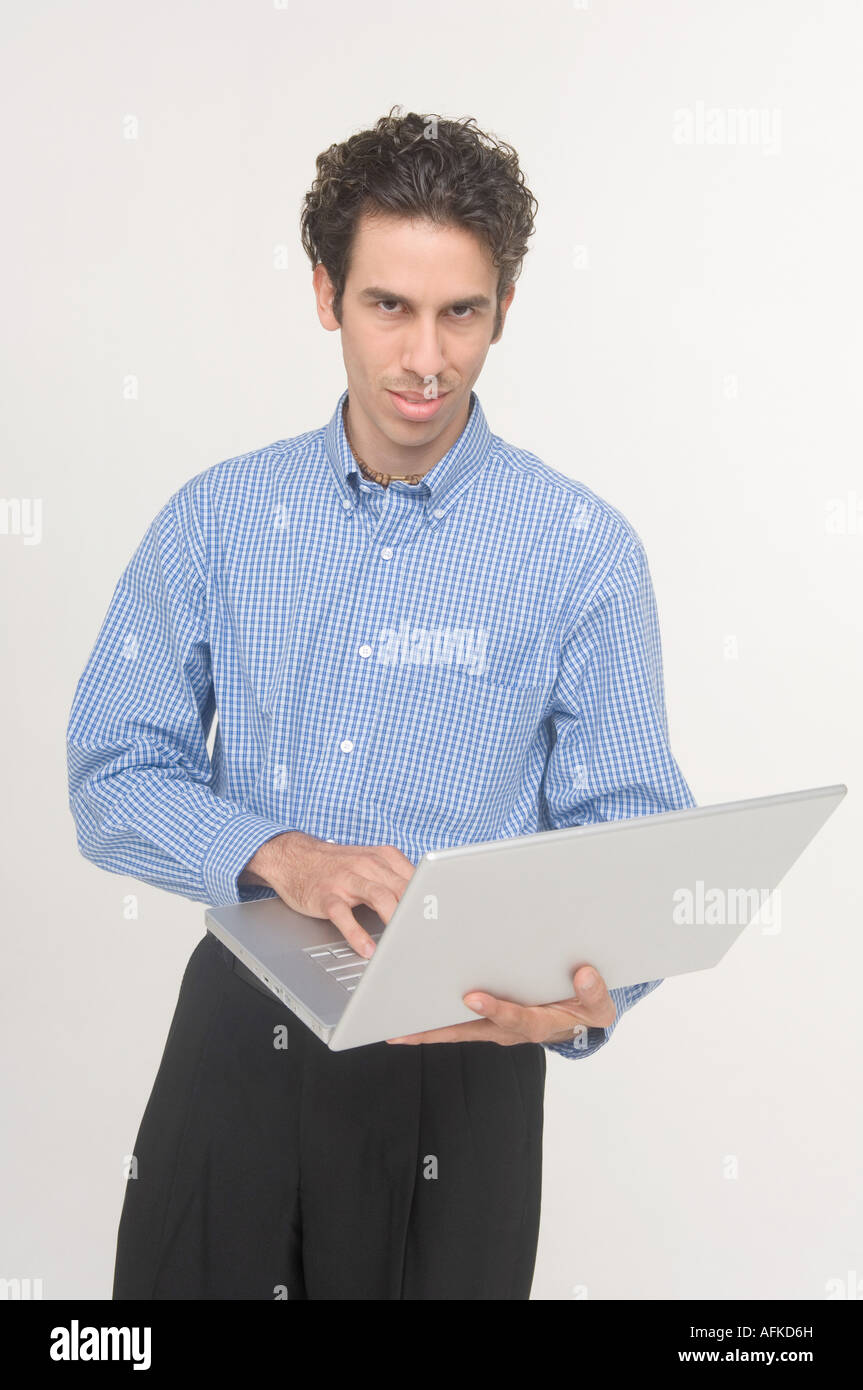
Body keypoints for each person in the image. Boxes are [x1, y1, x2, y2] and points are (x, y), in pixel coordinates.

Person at [66, 107, 696, 1301]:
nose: (423, 358)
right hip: (234, 1053)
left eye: (459, 312)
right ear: (324, 295)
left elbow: (640, 851)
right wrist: (275, 854)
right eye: (387, 306)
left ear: (503, 306)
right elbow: (111, 774)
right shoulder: (219, 518)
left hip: (461, 1068)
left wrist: (577, 1001)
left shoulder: (580, 550)